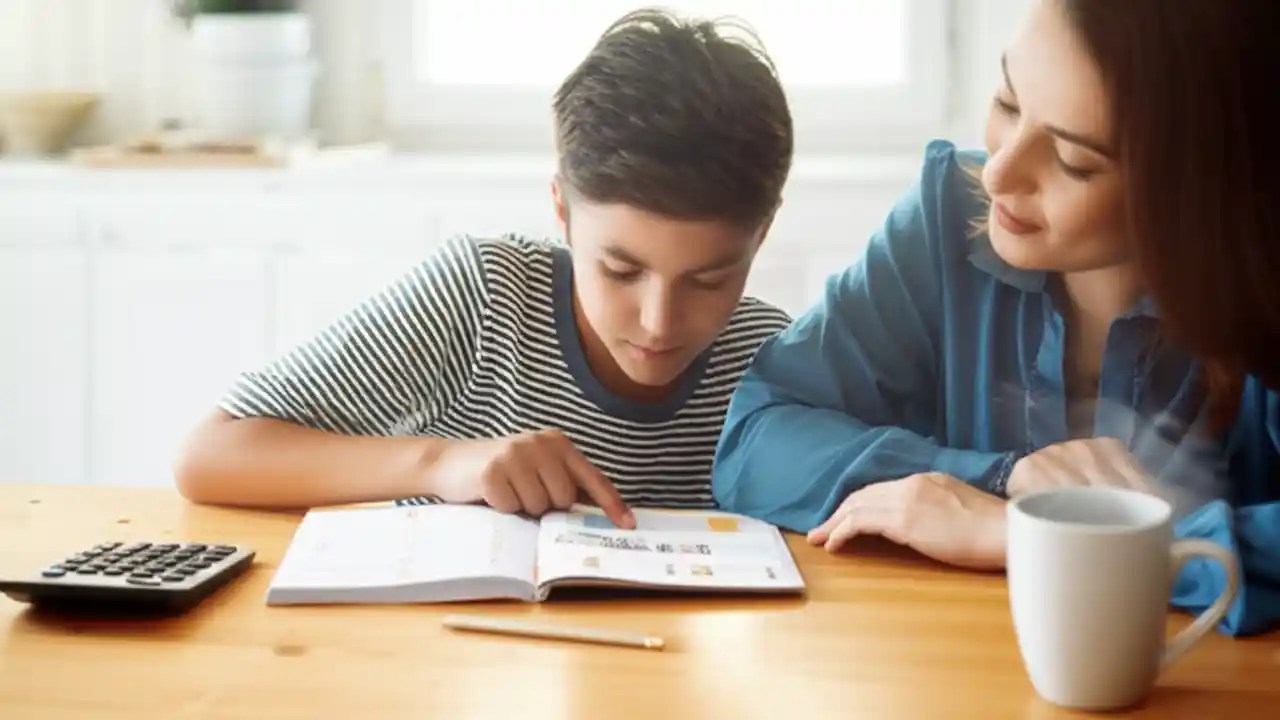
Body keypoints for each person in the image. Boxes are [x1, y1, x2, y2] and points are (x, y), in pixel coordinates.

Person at [712, 0, 1279, 635]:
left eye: (1073, 161)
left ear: (1201, 189)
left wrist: (1040, 538)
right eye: (1009, 103)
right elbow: (757, 437)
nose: (1001, 173)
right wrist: (995, 478)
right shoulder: (948, 213)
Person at [174, 9, 794, 529]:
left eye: (707, 281)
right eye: (620, 271)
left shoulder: (775, 361)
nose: (659, 322)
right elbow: (209, 455)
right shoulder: (487, 296)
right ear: (562, 211)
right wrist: (442, 464)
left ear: (761, 235)